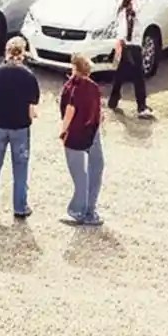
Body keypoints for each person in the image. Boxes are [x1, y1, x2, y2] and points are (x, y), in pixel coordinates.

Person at [0, 37, 39, 219]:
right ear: (23, 54)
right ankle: (20, 208)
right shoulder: (29, 77)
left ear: (6, 52)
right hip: (20, 128)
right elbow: (32, 109)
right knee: (20, 169)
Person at [59, 54, 104, 226]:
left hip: (75, 135)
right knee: (96, 168)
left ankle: (77, 210)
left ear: (74, 68)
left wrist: (63, 132)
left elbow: (69, 111)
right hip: (92, 132)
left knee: (80, 175)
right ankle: (90, 210)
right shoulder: (93, 87)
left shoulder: (71, 87)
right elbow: (99, 111)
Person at [108, 0, 153, 119]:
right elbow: (125, 33)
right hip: (131, 47)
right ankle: (141, 107)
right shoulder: (131, 14)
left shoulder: (124, 12)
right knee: (138, 77)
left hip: (127, 47)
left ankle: (113, 100)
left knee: (120, 75)